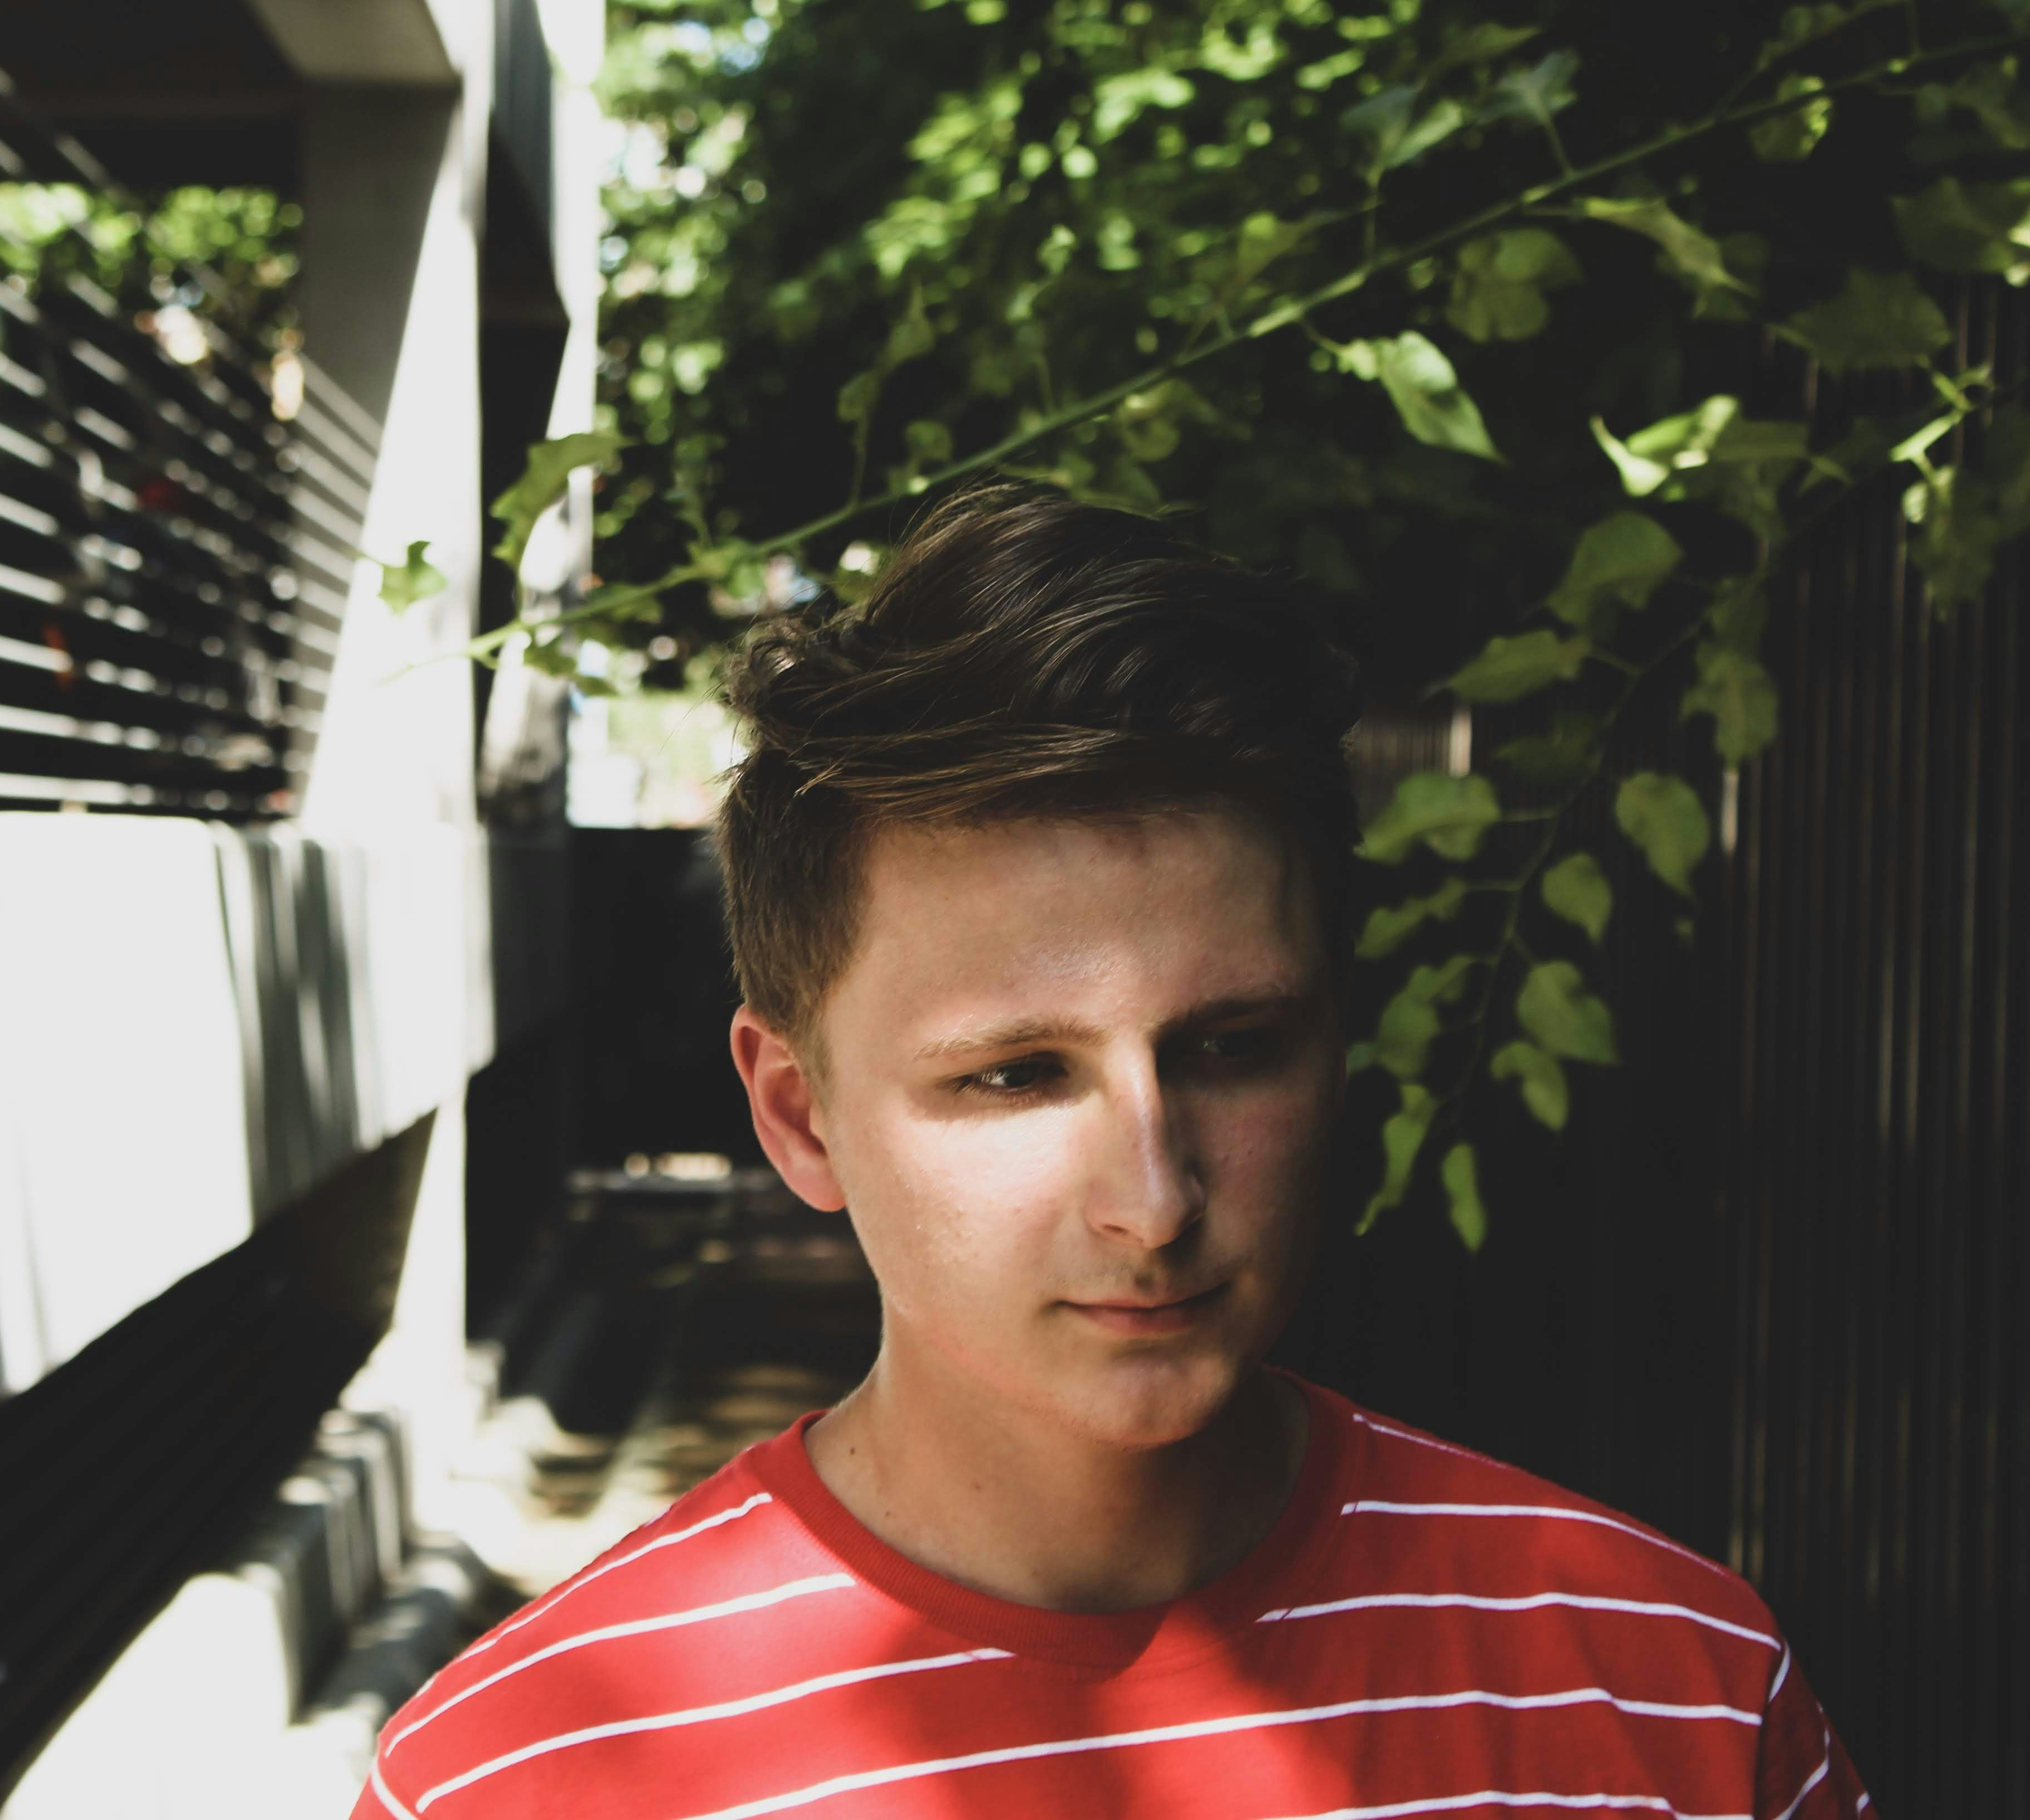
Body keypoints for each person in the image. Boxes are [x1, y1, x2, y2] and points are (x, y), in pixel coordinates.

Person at [352, 486, 1868, 1820]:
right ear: (797, 1113)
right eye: (1016, 1073)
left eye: (1230, 1047)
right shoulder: (519, 1775)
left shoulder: (1673, 1688)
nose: (1154, 1197)